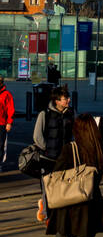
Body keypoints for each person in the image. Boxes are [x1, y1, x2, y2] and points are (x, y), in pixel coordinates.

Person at [46, 113, 103, 237]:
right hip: (90, 201)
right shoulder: (100, 149)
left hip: (69, 201)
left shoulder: (70, 148)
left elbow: (57, 174)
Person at [34, 86, 75, 223]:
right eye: (65, 99)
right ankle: (47, 215)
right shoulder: (44, 114)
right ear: (57, 101)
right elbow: (37, 136)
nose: (68, 100)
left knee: (65, 186)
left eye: (68, 98)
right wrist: (47, 149)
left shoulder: (71, 113)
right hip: (48, 157)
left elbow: (75, 134)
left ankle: (61, 214)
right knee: (48, 188)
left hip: (65, 157)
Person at [0, 76, 14, 169]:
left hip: (1, 124)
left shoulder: (6, 94)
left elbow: (10, 109)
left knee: (1, 145)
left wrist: (9, 123)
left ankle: (0, 163)